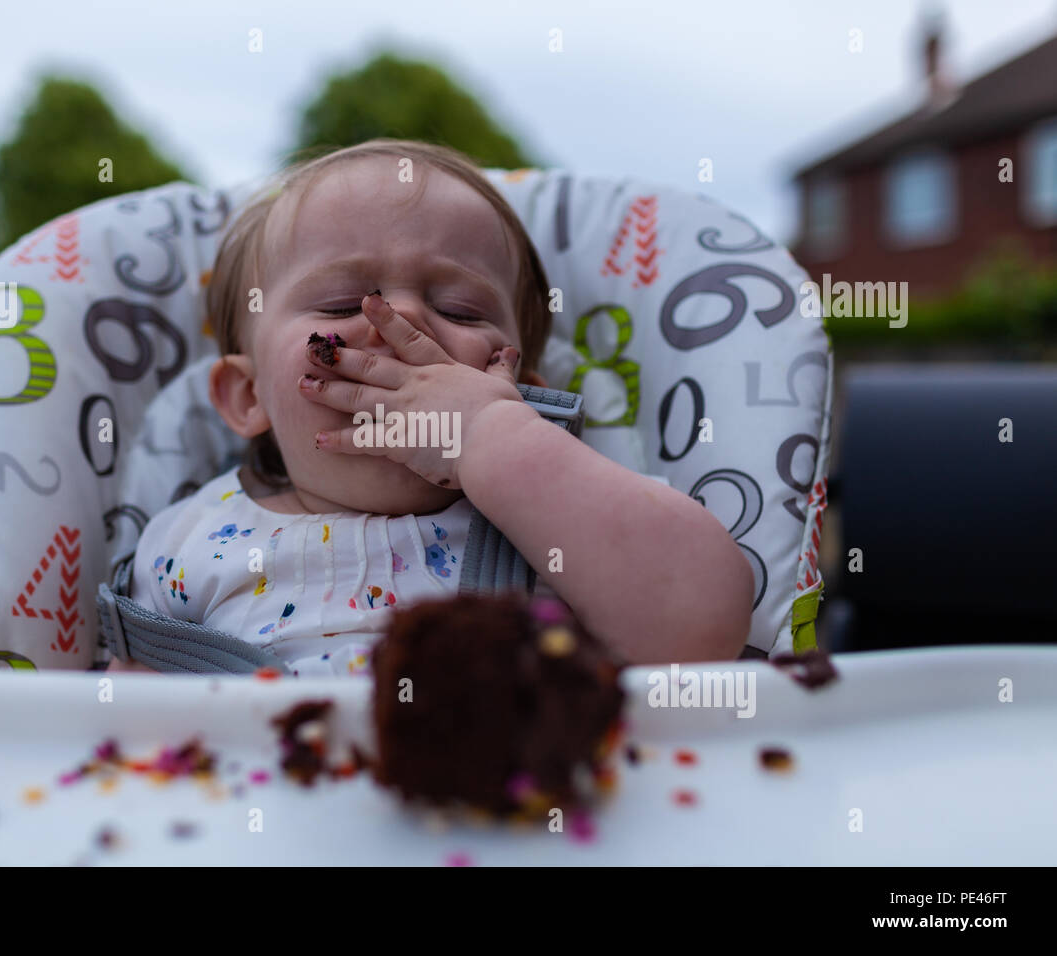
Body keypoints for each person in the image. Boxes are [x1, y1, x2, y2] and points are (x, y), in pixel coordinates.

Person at [109, 139, 753, 675]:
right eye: (338, 304)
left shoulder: (563, 518)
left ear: (519, 386)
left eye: (460, 311)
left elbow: (703, 631)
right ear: (250, 398)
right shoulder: (190, 540)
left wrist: (493, 432)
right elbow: (121, 716)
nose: (403, 319)